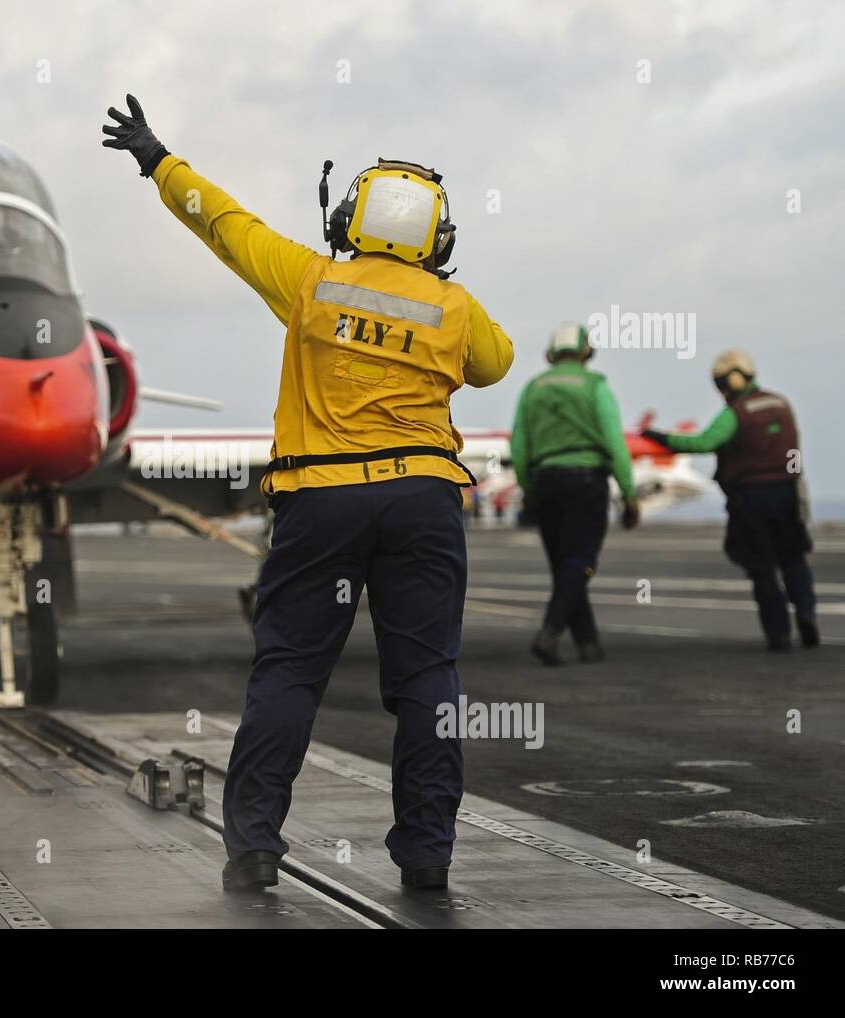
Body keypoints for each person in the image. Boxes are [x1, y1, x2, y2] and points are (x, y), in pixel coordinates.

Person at [103, 96, 513, 891]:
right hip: (422, 499)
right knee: (429, 679)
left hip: (320, 501)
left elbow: (224, 224)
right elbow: (494, 362)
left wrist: (158, 159)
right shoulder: (453, 308)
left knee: (289, 671)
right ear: (440, 236)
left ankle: (255, 844)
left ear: (346, 220)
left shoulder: (309, 280)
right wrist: (433, 295)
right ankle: (426, 857)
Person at [644, 350, 817, 650]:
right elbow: (793, 453)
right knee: (794, 559)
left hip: (750, 497)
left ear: (724, 383)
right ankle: (806, 614)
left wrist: (660, 438)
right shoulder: (781, 404)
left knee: (761, 566)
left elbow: (703, 443)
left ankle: (778, 634)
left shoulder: (736, 412)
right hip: (787, 492)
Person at [511, 322, 640, 665]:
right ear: (586, 352)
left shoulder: (532, 388)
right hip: (586, 482)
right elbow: (615, 441)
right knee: (580, 561)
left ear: (552, 353)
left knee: (563, 563)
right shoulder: (595, 385)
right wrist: (629, 493)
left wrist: (527, 489)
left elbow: (519, 444)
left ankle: (588, 643)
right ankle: (550, 632)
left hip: (546, 482)